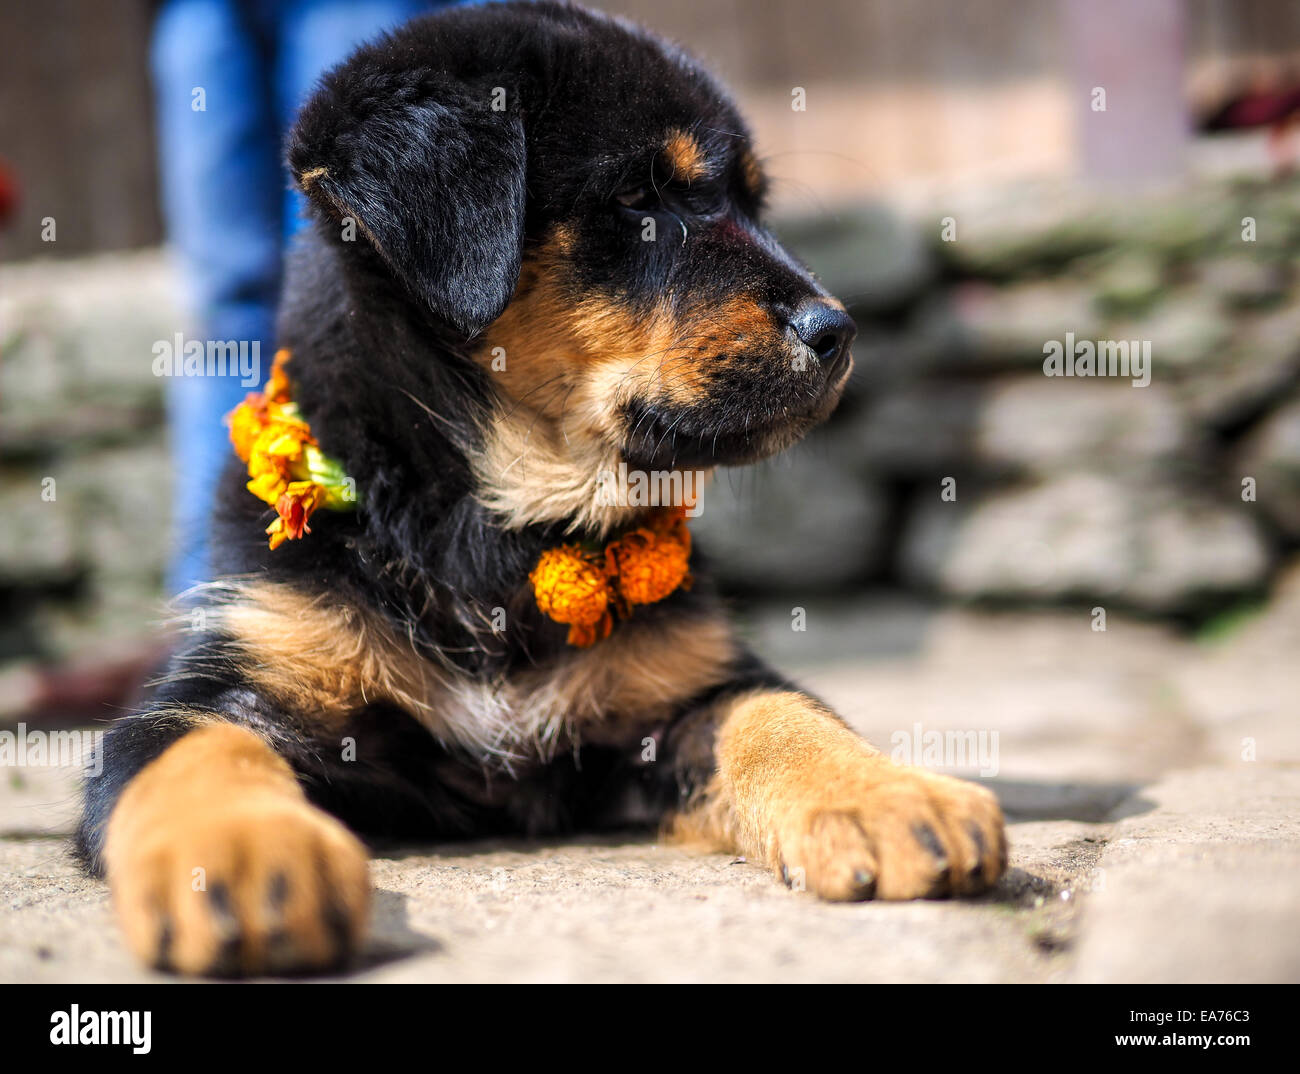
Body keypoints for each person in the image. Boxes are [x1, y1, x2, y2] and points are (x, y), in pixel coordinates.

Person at [152, 0, 452, 592]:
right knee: (226, 302)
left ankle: (364, 588)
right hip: (200, 11)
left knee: (344, 271)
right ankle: (209, 600)